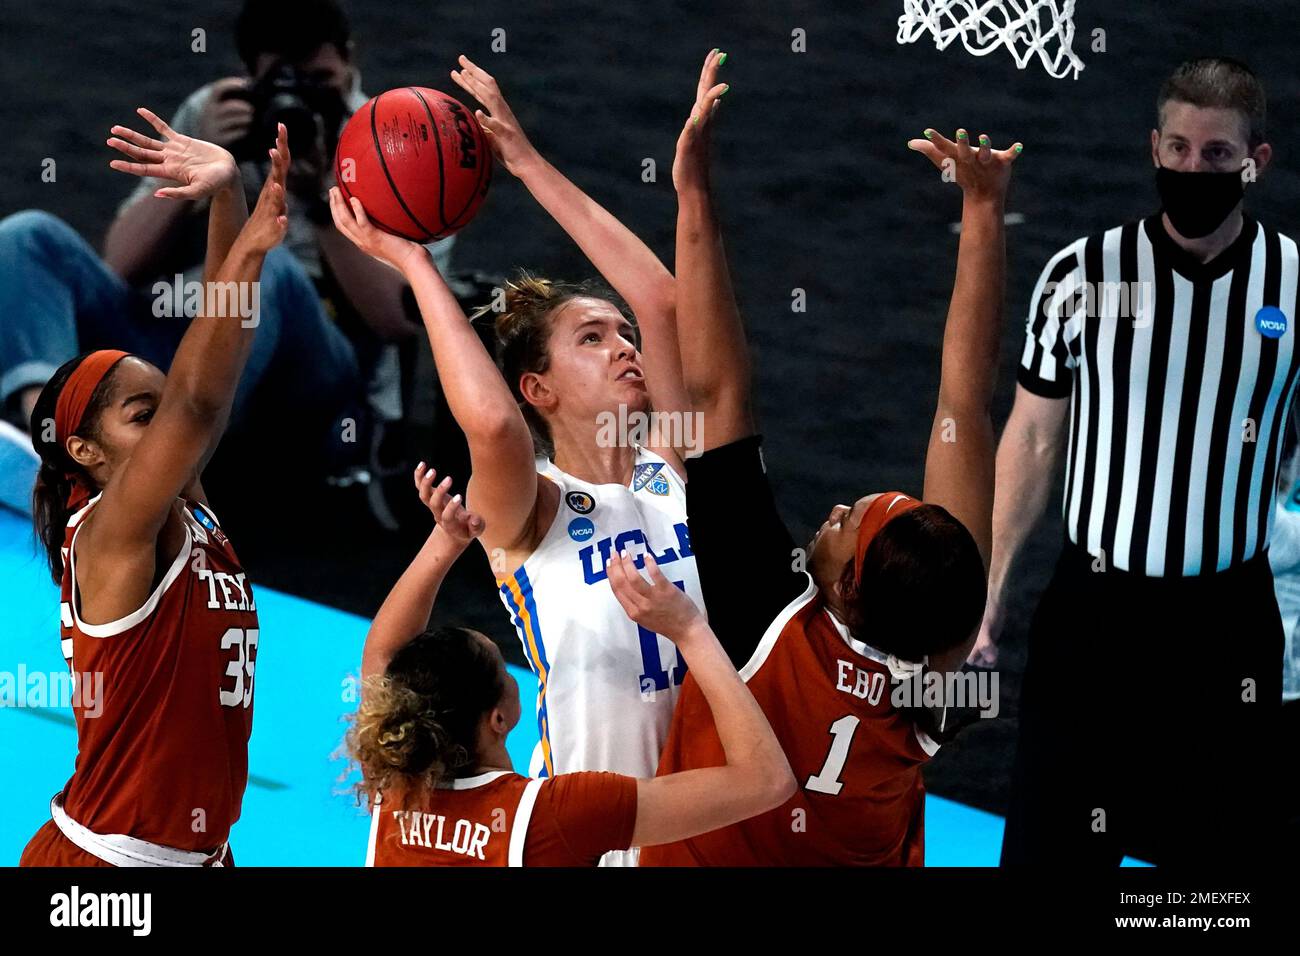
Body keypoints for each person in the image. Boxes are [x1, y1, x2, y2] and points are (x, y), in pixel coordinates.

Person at [640, 53, 1019, 865]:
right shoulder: (937, 671)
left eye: (852, 521)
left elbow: (717, 393)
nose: (838, 509)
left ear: (846, 584)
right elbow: (962, 407)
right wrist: (984, 214)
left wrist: (693, 190)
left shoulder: (767, 617)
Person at [329, 53, 700, 865]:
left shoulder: (673, 468)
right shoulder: (533, 510)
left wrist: (528, 163)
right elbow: (493, 429)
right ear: (538, 388)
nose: (624, 347)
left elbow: (664, 298)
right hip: (589, 842)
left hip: (713, 830)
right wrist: (416, 263)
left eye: (621, 335)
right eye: (591, 339)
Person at [981, 56, 1294, 866]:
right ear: (1154, 149)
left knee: (1217, 878)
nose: (1195, 169)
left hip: (1227, 624)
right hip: (1094, 619)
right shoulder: (1082, 276)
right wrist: (991, 590)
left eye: (1217, 155)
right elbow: (1035, 437)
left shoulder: (1296, 287)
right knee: (1053, 848)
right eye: (1180, 150)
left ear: (1255, 163)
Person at [19, 117, 289, 866]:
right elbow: (197, 402)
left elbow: (214, 376)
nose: (172, 422)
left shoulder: (188, 508)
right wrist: (249, 251)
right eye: (146, 414)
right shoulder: (108, 533)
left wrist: (227, 196)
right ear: (85, 451)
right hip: (104, 869)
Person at [350, 465, 794, 866]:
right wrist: (690, 631)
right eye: (504, 667)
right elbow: (766, 781)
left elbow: (382, 658)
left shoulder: (396, 789)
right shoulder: (556, 814)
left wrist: (445, 541)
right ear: (499, 717)